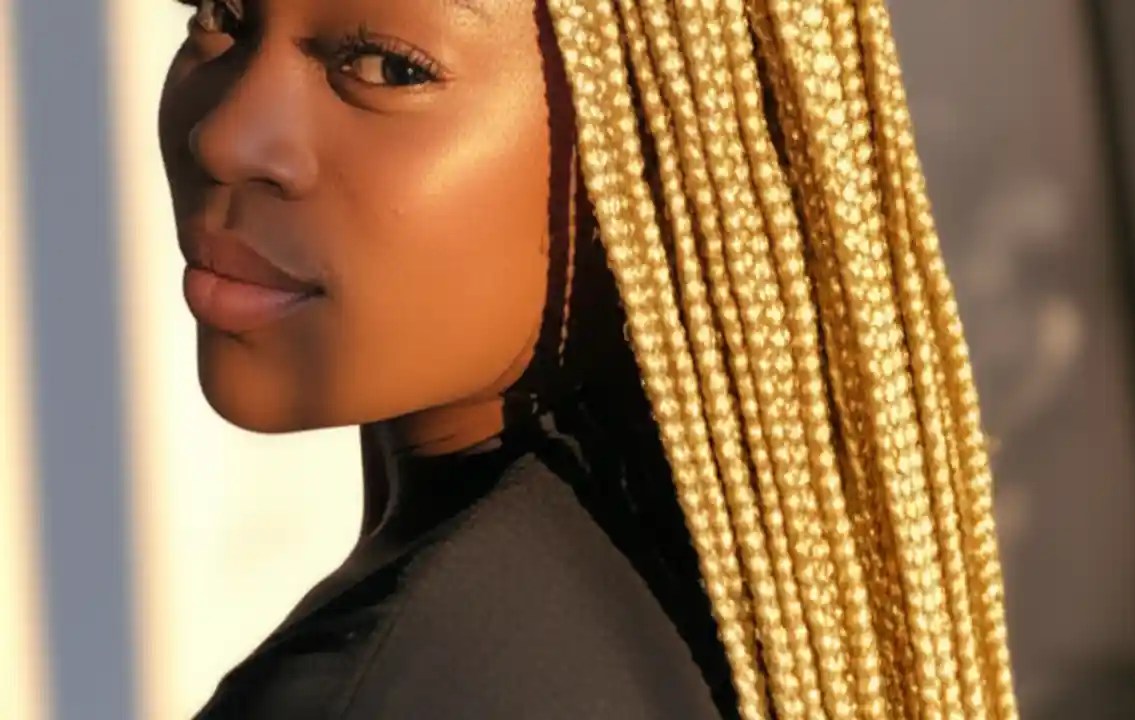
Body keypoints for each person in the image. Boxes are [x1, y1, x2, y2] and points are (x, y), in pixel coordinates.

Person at [160, 0, 1017, 717]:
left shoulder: (390, 685)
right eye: (221, 11)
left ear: (669, 129)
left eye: (388, 69)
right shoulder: (738, 612)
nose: (225, 137)